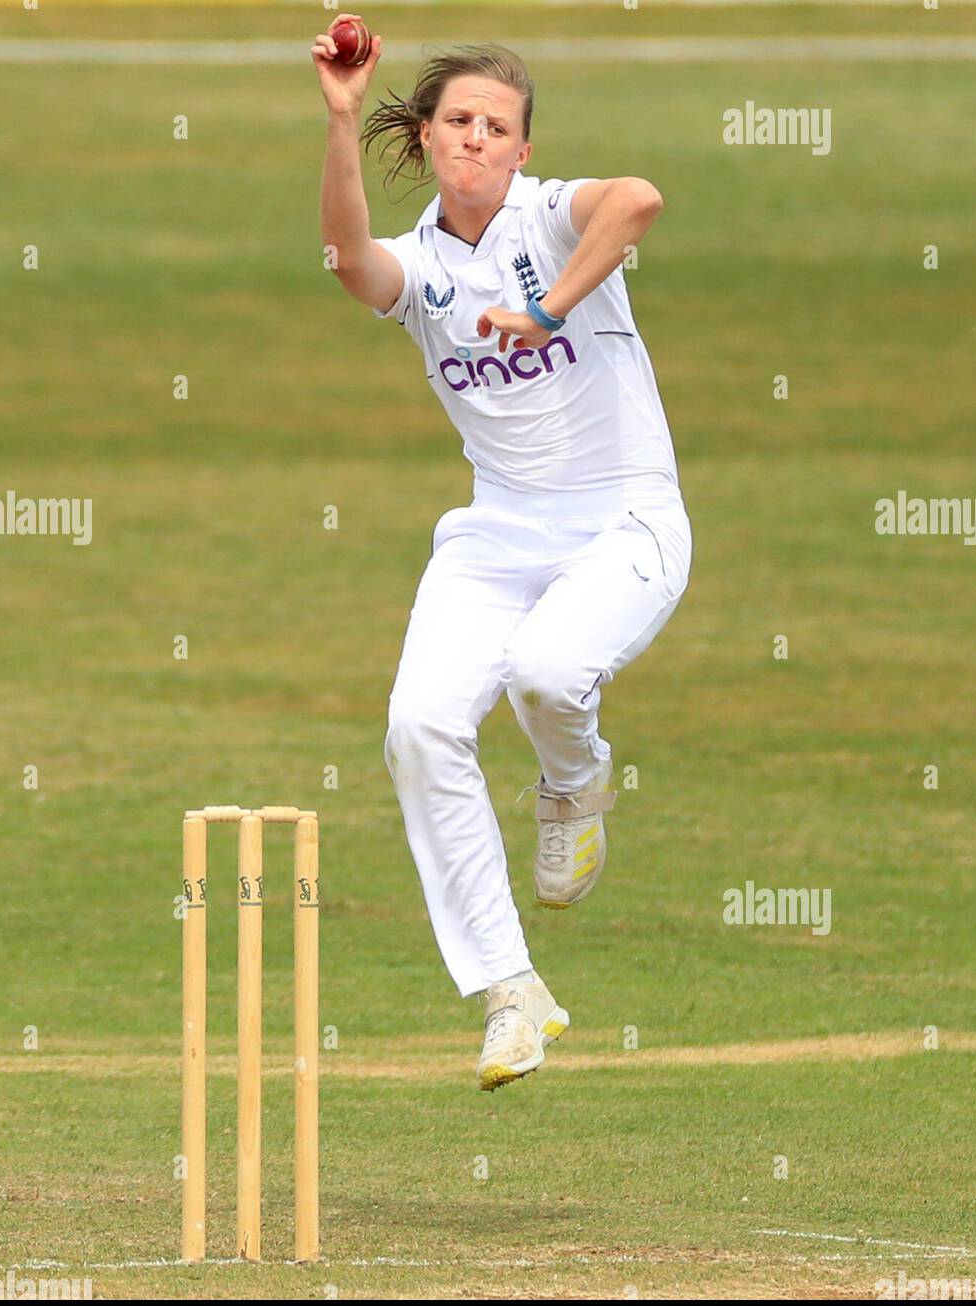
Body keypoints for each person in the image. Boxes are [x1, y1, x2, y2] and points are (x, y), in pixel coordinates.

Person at [313, 23, 692, 1091]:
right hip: (496, 533)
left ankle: (573, 784)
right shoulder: (424, 266)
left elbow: (639, 201)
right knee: (417, 725)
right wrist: (343, 117)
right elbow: (349, 261)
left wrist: (545, 307)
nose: (475, 138)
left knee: (541, 672)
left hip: (625, 520)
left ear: (523, 150)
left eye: (496, 127)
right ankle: (511, 993)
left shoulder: (548, 211)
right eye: (457, 122)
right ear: (427, 137)